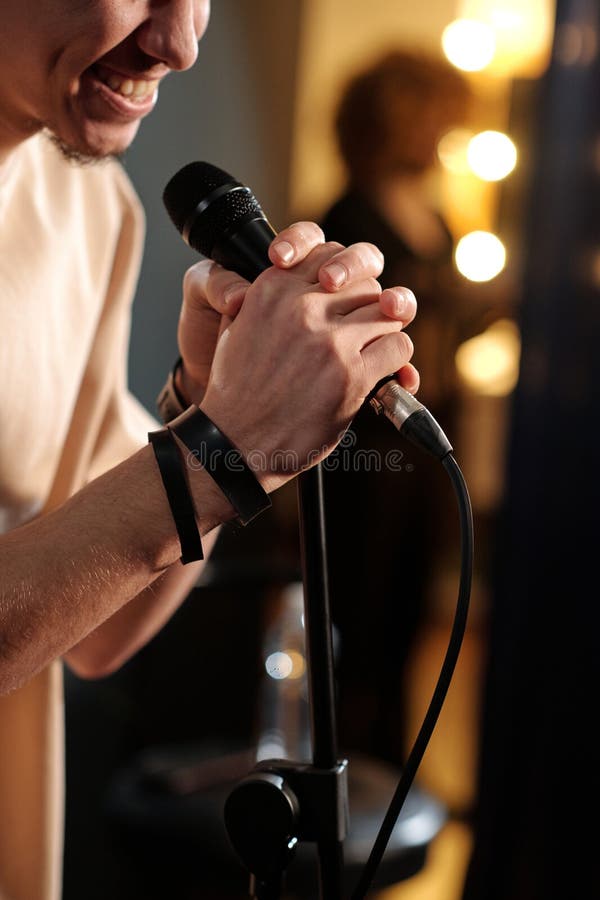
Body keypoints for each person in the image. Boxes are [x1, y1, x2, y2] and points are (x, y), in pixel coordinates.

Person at [0, 4, 421, 899]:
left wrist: (206, 400)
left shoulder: (87, 209)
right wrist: (223, 452)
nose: (180, 44)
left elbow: (100, 632)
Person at [318, 51, 471, 766]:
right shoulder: (347, 221)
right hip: (365, 450)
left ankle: (389, 763)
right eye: (428, 114)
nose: (441, 130)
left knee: (415, 609)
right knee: (359, 610)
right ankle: (346, 766)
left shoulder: (438, 217)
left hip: (430, 440)